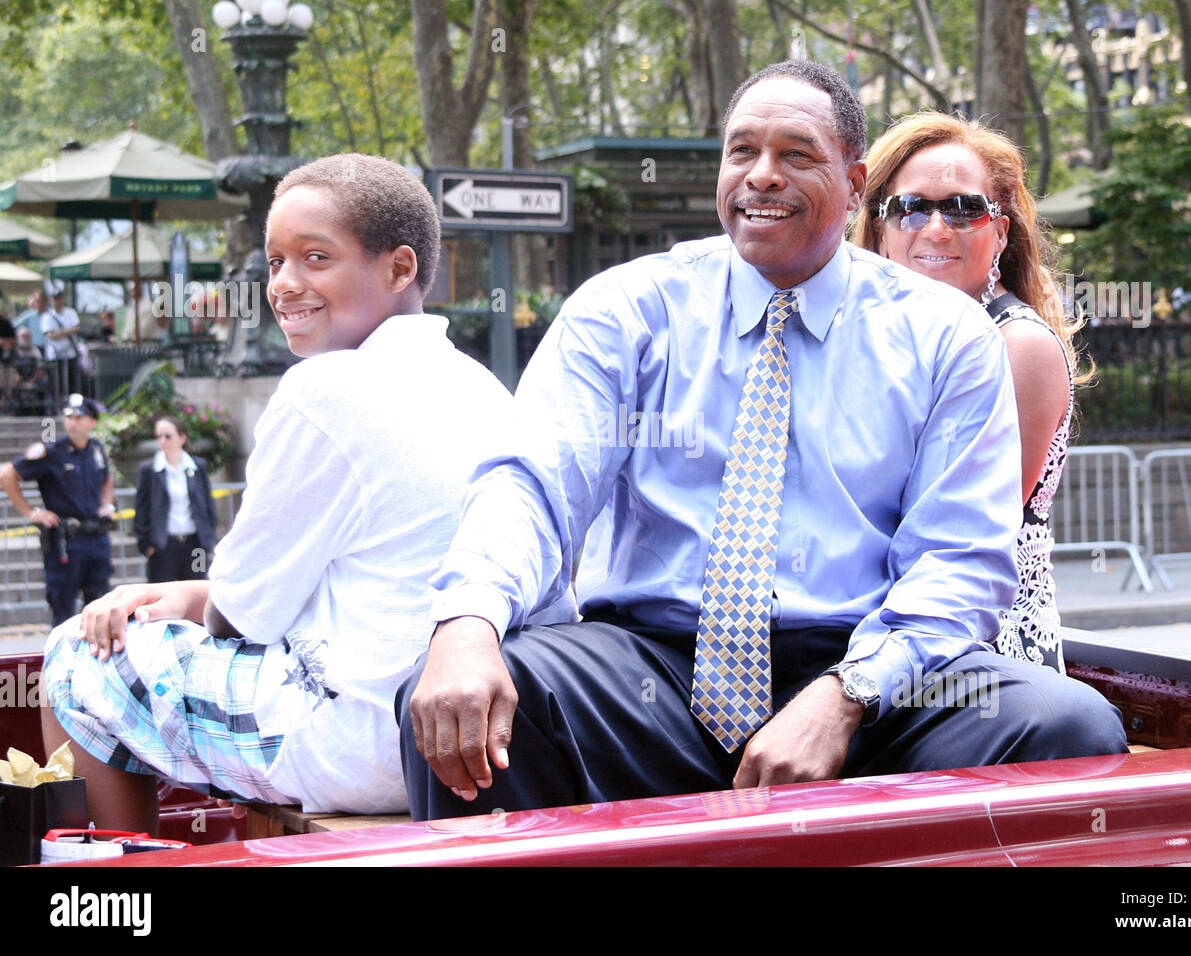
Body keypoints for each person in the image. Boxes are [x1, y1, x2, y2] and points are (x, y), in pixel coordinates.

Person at [397, 61, 1127, 822]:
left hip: (874, 674)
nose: (763, 176)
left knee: (1064, 726)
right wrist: (467, 620)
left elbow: (959, 563)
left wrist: (847, 696)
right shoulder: (629, 308)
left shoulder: (946, 337)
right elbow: (532, 482)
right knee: (467, 700)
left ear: (852, 185)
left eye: (796, 155)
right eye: (742, 152)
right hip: (651, 668)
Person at [38, 154, 573, 834]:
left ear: (399, 268)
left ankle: (115, 889)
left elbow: (244, 616)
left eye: (315, 258)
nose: (284, 285)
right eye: (275, 262)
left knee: (81, 656)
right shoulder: (482, 384)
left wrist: (189, 598)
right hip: (487, 739)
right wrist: (191, 596)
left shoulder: (325, 390)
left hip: (368, 745)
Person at [848, 111, 1082, 674]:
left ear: (999, 230)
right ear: (879, 229)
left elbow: (971, 528)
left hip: (977, 656)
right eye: (910, 207)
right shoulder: (869, 339)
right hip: (870, 643)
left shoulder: (1019, 346)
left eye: (963, 208)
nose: (935, 228)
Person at [0, 394, 114, 624]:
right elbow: (7, 474)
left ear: (92, 421)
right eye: (68, 417)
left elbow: (107, 477)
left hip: (96, 536)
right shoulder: (51, 451)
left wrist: (107, 503)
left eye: (78, 417)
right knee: (63, 610)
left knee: (100, 608)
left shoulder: (96, 449)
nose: (72, 422)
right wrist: (31, 513)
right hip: (66, 542)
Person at [133, 415, 218, 583]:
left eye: (168, 436)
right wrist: (147, 545)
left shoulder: (197, 466)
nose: (163, 441)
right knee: (163, 594)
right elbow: (141, 509)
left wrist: (209, 537)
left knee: (197, 588)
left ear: (182, 438)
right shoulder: (149, 470)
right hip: (163, 545)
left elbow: (207, 503)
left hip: (196, 544)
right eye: (159, 436)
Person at [40, 289, 84, 397]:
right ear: (51, 300)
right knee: (56, 384)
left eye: (59, 298)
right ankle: (57, 407)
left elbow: (77, 328)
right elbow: (51, 335)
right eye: (55, 298)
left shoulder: (70, 312)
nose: (57, 301)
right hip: (55, 356)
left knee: (73, 384)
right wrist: (68, 330)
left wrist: (60, 331)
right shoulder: (47, 316)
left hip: (70, 354)